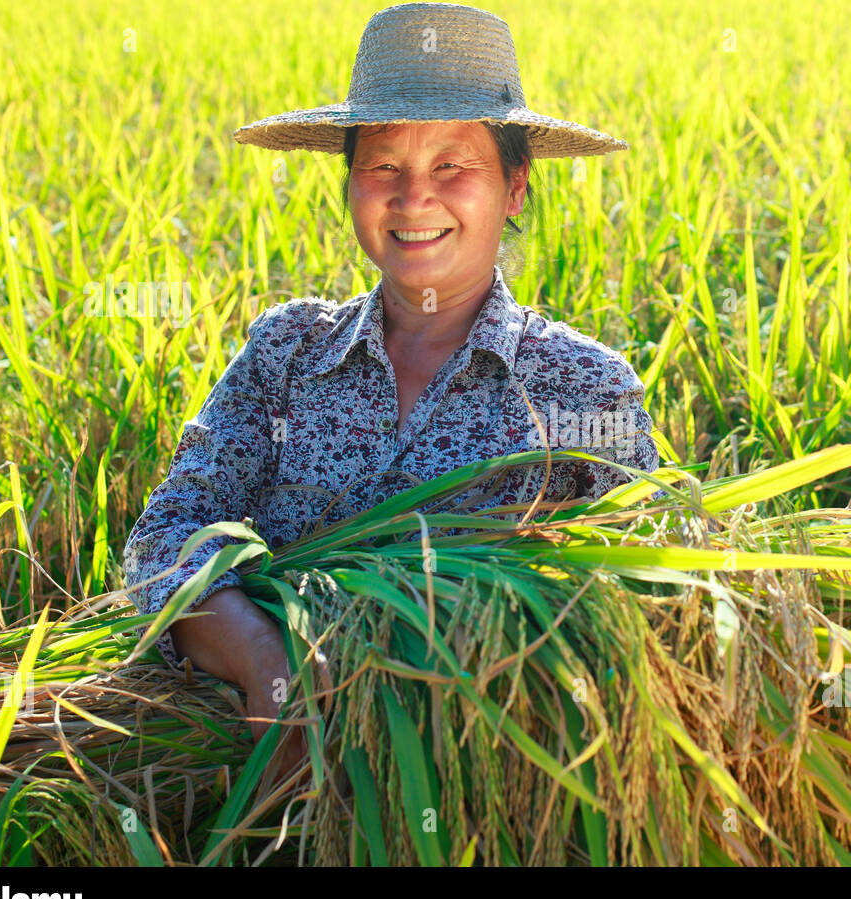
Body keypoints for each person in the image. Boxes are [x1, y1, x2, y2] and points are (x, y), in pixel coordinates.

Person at [121, 3, 660, 782]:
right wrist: (269, 666)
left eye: (452, 167)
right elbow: (163, 538)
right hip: (241, 778)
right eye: (383, 168)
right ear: (350, 185)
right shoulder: (286, 352)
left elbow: (644, 608)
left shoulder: (584, 387)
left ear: (514, 187)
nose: (414, 200)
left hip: (480, 791)